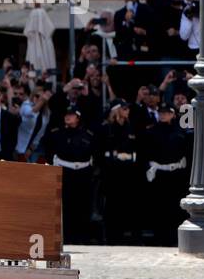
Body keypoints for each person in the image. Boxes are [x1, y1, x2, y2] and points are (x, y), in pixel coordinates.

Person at [43, 108, 96, 244]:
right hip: (65, 172)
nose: (68, 117)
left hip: (83, 173)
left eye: (71, 115)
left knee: (82, 206)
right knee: (66, 206)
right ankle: (67, 237)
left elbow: (95, 152)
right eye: (66, 115)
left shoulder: (88, 134)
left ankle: (83, 237)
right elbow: (48, 149)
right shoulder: (57, 133)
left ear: (78, 118)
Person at [140, 103, 190, 243]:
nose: (163, 115)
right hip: (159, 174)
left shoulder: (180, 131)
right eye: (161, 112)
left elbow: (186, 153)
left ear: (173, 114)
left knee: (176, 207)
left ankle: (175, 238)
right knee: (159, 207)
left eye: (167, 112)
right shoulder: (151, 131)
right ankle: (159, 238)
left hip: (176, 175)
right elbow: (145, 154)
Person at [98, 100, 140, 243]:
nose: (127, 110)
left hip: (128, 171)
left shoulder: (131, 126)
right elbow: (100, 151)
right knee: (111, 204)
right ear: (116, 110)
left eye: (127, 108)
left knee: (127, 203)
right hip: (112, 171)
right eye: (124, 108)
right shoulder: (107, 128)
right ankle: (111, 236)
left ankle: (126, 236)